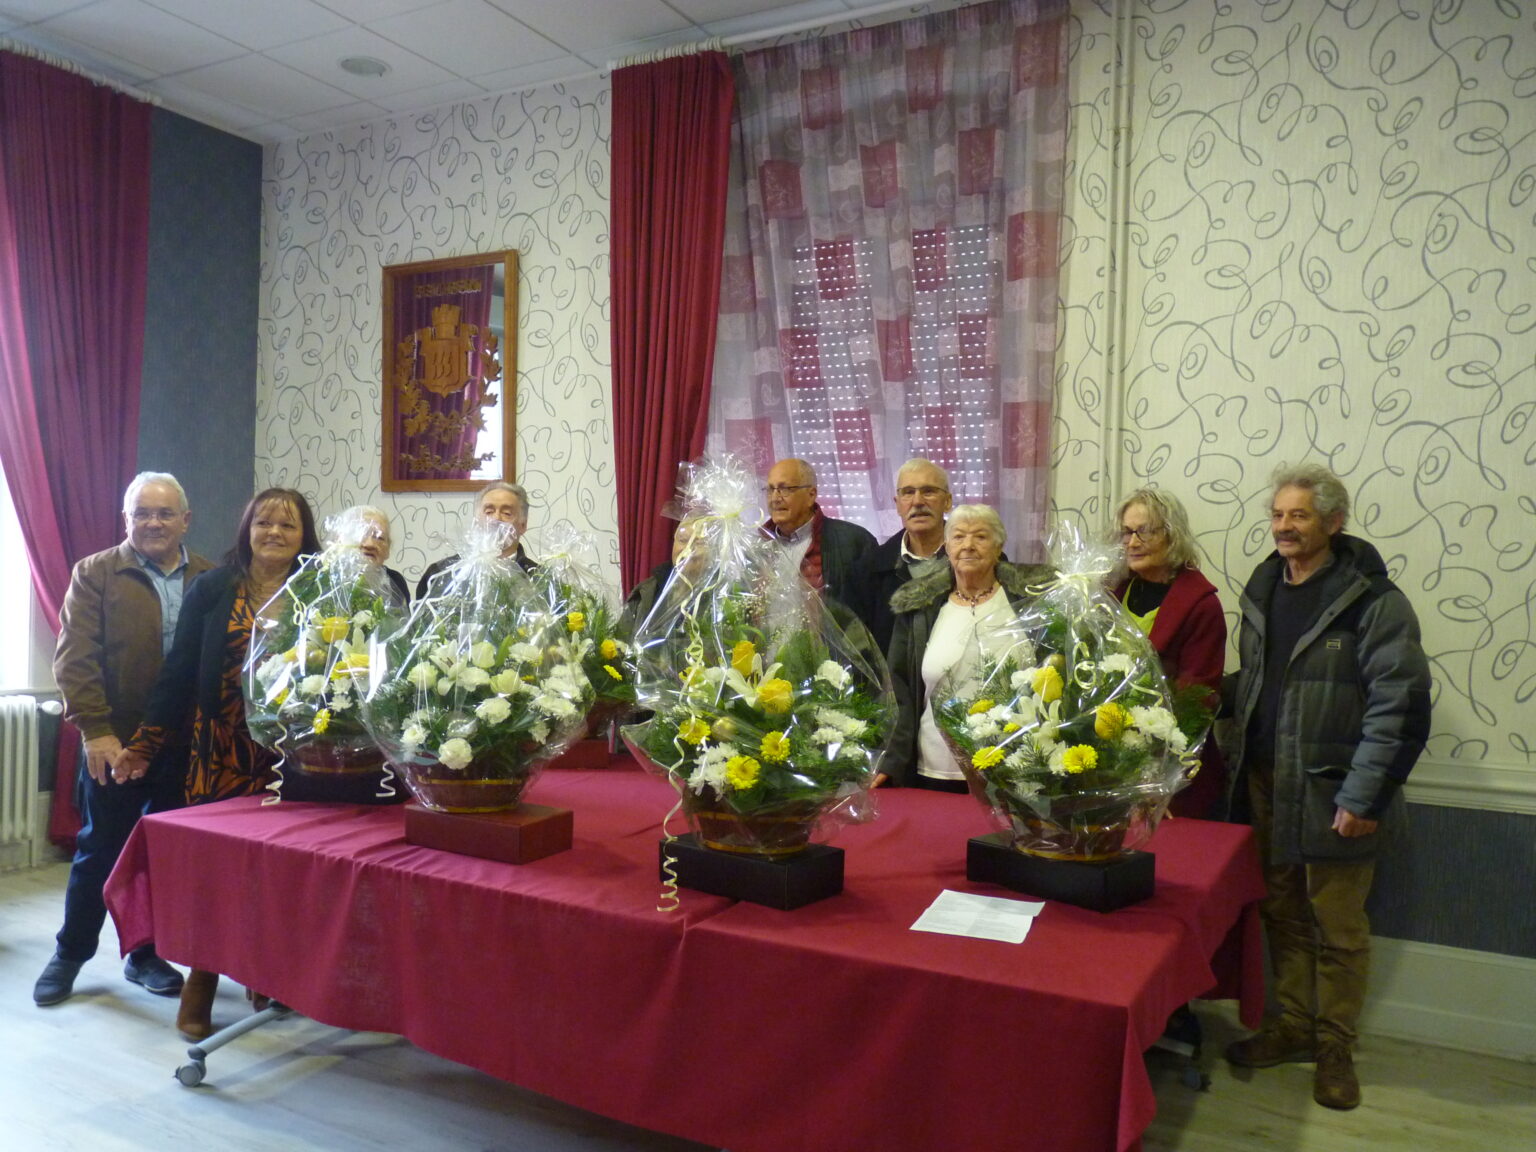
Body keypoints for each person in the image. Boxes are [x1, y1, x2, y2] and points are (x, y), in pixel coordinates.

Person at [1222, 463, 1431, 1111]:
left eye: (1299, 516)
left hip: (1335, 789)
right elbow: (1262, 682)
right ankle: (1291, 1026)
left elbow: (1401, 705)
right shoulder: (1262, 588)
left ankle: (1335, 1044)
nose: (1284, 527)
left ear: (1334, 523)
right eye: (1278, 515)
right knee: (1281, 912)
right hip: (1264, 781)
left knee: (1337, 926)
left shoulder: (1372, 600)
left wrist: (1364, 796)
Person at [114, 487, 320, 1041]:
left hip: (289, 759)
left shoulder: (322, 592)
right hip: (218, 755)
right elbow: (179, 671)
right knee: (216, 872)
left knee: (277, 870)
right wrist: (144, 744)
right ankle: (202, 978)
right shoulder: (213, 587)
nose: (274, 533)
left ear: (306, 536)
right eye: (263, 523)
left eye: (288, 525)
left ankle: (265, 973)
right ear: (246, 530)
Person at [32, 473, 214, 1008]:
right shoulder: (96, 573)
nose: (153, 522)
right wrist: (97, 731)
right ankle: (71, 952)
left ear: (186, 519)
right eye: (141, 513)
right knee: (100, 850)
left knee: (162, 855)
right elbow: (74, 659)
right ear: (126, 520)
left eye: (164, 513)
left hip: (187, 748)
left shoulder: (211, 576)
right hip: (118, 742)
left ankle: (143, 952)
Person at [886, 505, 1051, 790]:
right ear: (947, 547)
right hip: (936, 770)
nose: (968, 546)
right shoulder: (919, 610)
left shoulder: (1033, 602)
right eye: (959, 537)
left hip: (1017, 767)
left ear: (999, 546)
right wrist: (890, 761)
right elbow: (899, 690)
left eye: (981, 537)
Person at [1109, 487, 1227, 818]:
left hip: (1173, 765)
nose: (1132, 543)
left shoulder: (1201, 605)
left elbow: (1198, 697)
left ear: (1172, 535)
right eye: (1127, 532)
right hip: (1109, 754)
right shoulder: (1112, 591)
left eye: (1144, 532)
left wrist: (1157, 777)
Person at [849, 458, 953, 655]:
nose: (918, 501)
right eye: (908, 493)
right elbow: (859, 650)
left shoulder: (980, 562)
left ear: (947, 502)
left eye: (928, 491)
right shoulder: (868, 570)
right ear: (897, 505)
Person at [761, 458, 876, 611]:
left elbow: (873, 611)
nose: (775, 498)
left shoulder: (854, 541)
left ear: (811, 494)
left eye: (785, 489)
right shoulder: (758, 548)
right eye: (770, 489)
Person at [416, 481, 536, 598]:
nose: (496, 518)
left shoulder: (539, 577)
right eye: (489, 512)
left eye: (506, 513)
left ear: (523, 525)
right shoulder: (441, 573)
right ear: (476, 522)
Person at [352, 504, 410, 602]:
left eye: (379, 537)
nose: (369, 544)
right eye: (362, 534)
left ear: (387, 550)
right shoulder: (331, 581)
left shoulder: (395, 581)